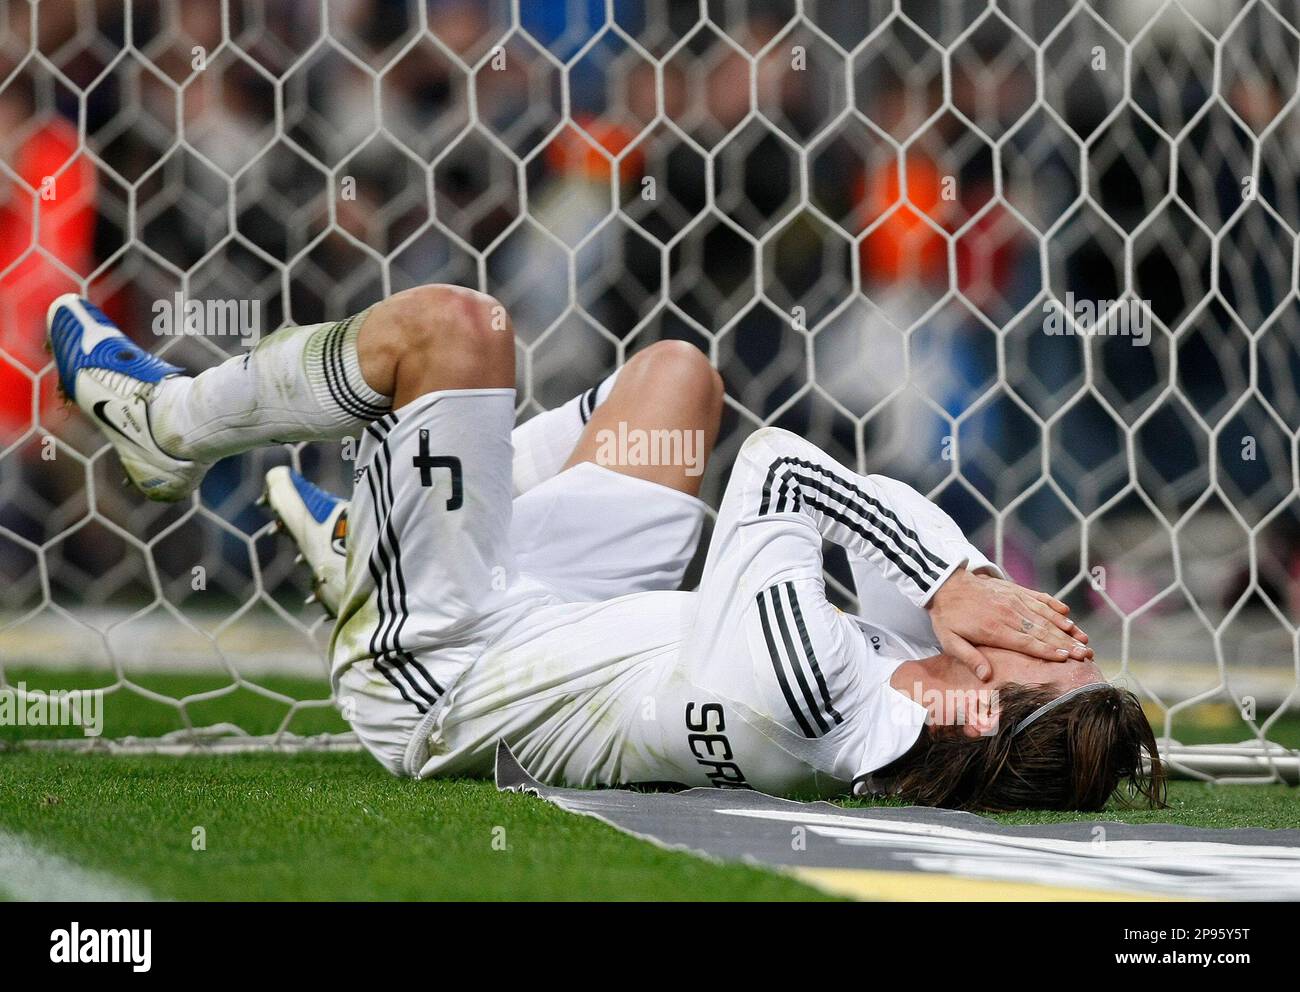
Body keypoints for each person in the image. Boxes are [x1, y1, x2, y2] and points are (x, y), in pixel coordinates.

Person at [46, 287, 1163, 810]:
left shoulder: (810, 695)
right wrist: (948, 585)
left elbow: (778, 470)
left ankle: (170, 425)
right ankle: (391, 539)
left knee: (459, 331)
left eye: (1050, 649)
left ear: (987, 697)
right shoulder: (906, 691)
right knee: (678, 381)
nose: (1051, 616)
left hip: (442, 667)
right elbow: (874, 514)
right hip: (571, 613)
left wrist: (949, 576)